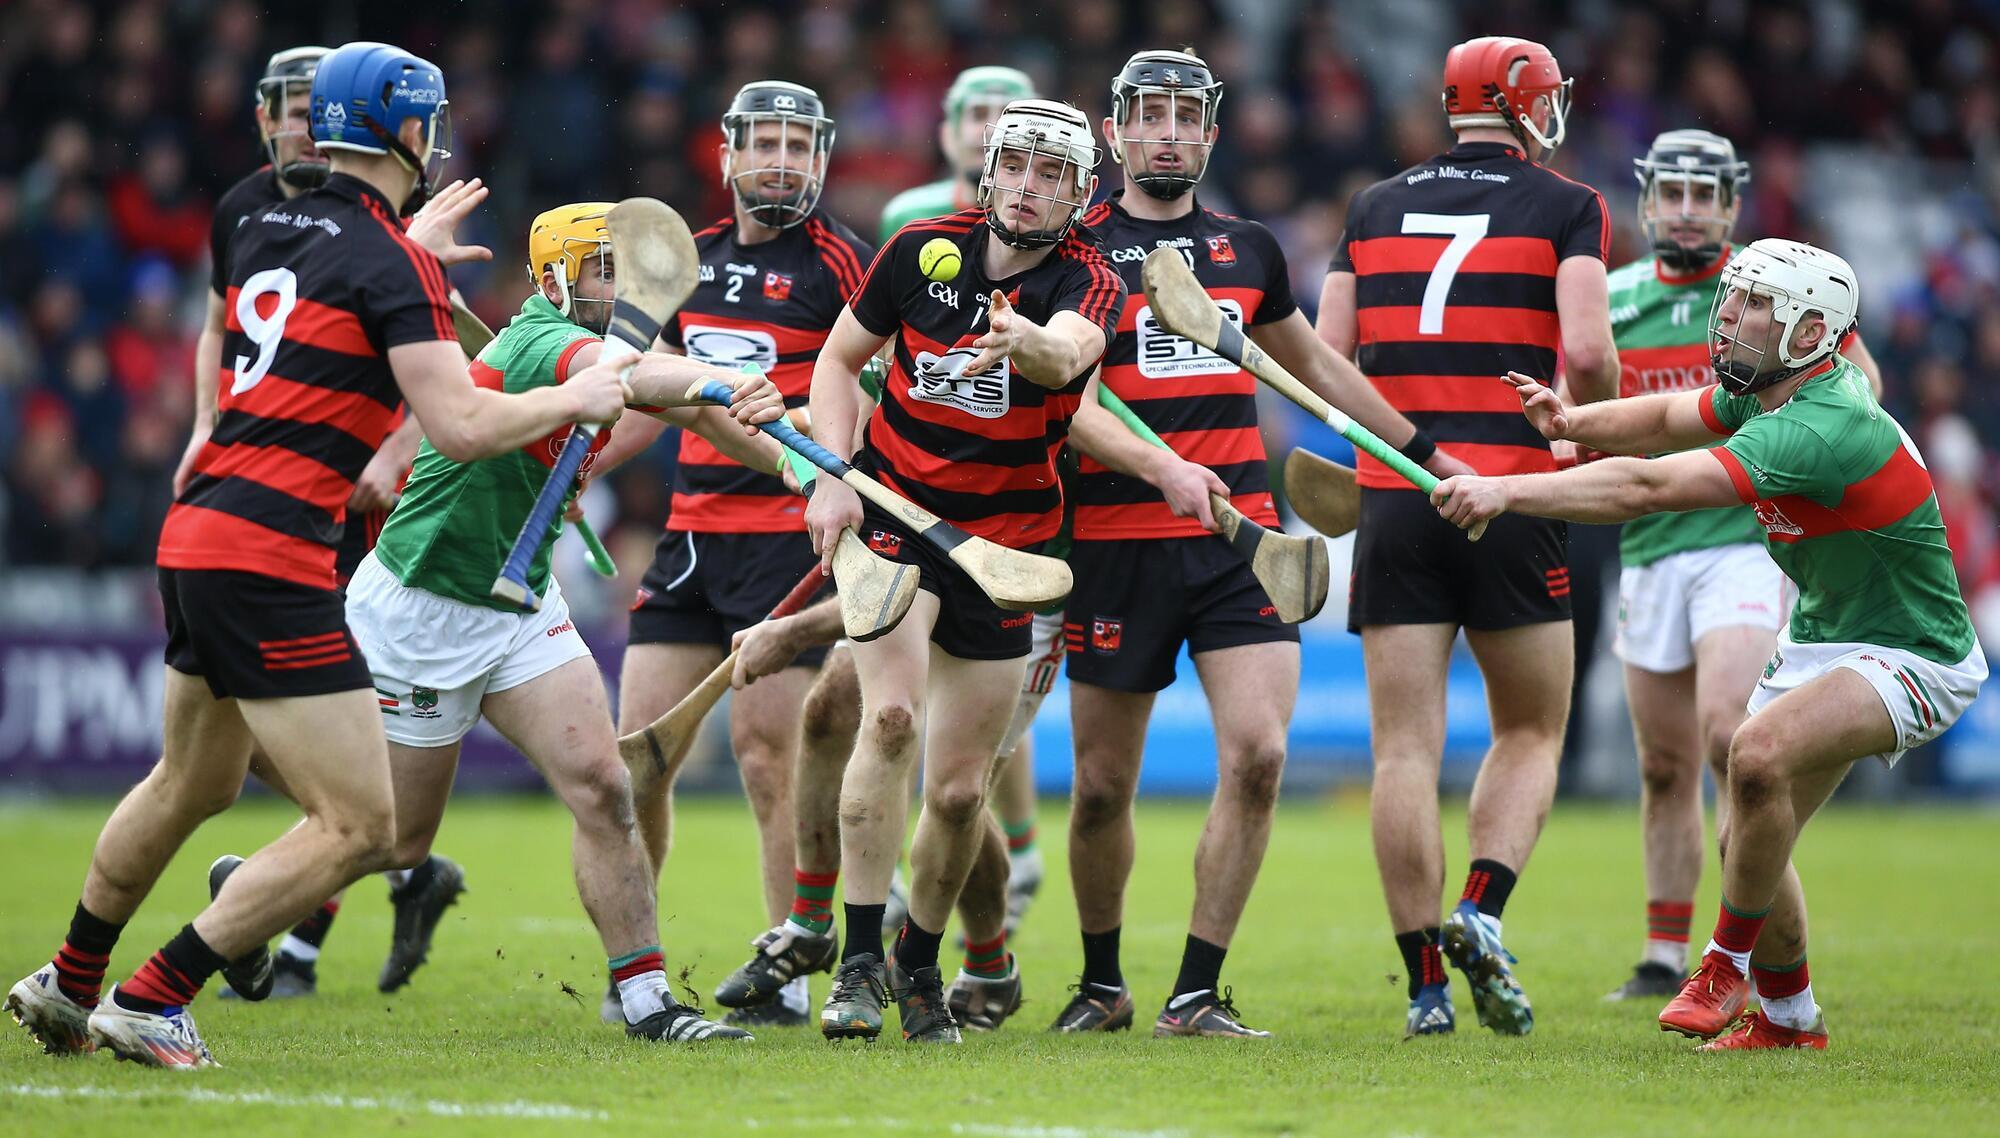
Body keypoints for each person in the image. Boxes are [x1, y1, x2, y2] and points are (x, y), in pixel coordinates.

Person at [3, 41, 630, 1067]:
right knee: (366, 827)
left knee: (188, 782)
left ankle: (69, 980)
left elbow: (253, 313)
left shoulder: (251, 214)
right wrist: (576, 394)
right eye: (427, 122)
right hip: (272, 551)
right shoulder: (394, 264)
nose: (434, 139)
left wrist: (210, 416)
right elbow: (462, 424)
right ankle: (152, 995)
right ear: (402, 129)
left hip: (195, 529)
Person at [1432, 238, 1987, 1049]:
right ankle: (1790, 1020)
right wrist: (1574, 421)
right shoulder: (1768, 390)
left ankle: (1723, 966)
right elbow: (1661, 419)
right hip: (1823, 633)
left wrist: (1506, 491)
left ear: (1811, 333)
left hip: (1914, 650)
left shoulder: (1818, 425)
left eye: (1756, 305)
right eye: (1734, 297)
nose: (1729, 317)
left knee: (1752, 755)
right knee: (1748, 838)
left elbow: (1649, 484)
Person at [1047, 49, 1467, 1039]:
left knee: (1259, 756)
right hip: (1114, 539)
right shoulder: (1073, 251)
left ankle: (1195, 990)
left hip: (1242, 541)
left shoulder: (1248, 249)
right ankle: (1102, 982)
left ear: (1209, 132)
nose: (1166, 135)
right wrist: (1161, 468)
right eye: (1148, 116)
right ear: (1114, 131)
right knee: (1101, 787)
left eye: (1184, 118)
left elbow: (1315, 366)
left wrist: (1425, 458)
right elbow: (1069, 403)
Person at [345, 201, 787, 1044]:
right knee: (393, 841)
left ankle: (648, 1002)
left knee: (603, 784)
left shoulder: (602, 355)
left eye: (623, 268)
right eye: (601, 269)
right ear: (554, 281)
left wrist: (803, 468)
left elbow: (689, 408)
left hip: (519, 605)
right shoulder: (544, 341)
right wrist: (723, 378)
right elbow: (648, 381)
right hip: (425, 608)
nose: (618, 286)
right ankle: (246, 898)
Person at [1316, 35, 1618, 1038]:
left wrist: (1398, 453)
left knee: (1403, 751)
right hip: (1513, 493)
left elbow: (1325, 363)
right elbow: (1586, 352)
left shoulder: (1370, 206)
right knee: (1528, 730)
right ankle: (1480, 909)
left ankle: (1424, 992)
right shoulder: (1567, 204)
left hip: (1399, 497)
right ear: (1525, 102)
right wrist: (1588, 432)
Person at [805, 99, 1124, 1044]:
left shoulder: (1090, 283)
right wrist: (832, 476)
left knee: (955, 794)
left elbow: (1070, 355)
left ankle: (917, 964)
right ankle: (857, 962)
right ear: (989, 172)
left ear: (1080, 193)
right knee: (890, 718)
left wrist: (1025, 341)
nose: (1028, 186)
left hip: (1006, 553)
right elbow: (837, 364)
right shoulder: (920, 251)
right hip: (897, 519)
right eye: (1015, 165)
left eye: (1052, 173)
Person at [172, 44, 468, 1005]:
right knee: (272, 756)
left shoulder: (377, 226)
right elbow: (223, 329)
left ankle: (288, 925)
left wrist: (397, 448)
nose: (304, 125)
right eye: (291, 107)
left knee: (315, 739)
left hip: (338, 503)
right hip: (263, 505)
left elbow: (424, 363)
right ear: (266, 118)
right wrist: (206, 424)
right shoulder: (247, 209)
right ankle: (375, 877)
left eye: (315, 106)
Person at [605, 81, 873, 1030]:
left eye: (799, 146)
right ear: (727, 154)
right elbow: (647, 399)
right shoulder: (691, 262)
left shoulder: (843, 262)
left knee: (769, 759)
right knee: (634, 763)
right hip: (691, 538)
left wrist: (824, 467)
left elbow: (865, 391)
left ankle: (785, 968)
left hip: (788, 542)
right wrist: (573, 452)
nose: (781, 162)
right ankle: (636, 974)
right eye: (764, 143)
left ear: (821, 158)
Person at [1598, 131, 1884, 1001]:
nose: (1687, 211)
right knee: (1663, 763)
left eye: (1705, 195)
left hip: (1743, 543)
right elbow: (1608, 416)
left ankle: (1744, 954)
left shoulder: (1777, 289)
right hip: (1649, 547)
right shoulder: (1612, 297)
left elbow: (1861, 389)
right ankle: (1661, 955)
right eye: (1672, 193)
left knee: (1733, 735)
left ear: (1730, 204)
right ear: (1648, 201)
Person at [875, 61, 1052, 948]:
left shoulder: (1068, 244)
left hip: (1015, 513)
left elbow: (1073, 362)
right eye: (976, 115)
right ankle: (861, 921)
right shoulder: (910, 224)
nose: (989, 129)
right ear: (950, 132)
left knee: (975, 742)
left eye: (1004, 116)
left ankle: (1016, 851)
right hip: (903, 498)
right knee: (884, 708)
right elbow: (869, 348)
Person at [880, 66, 1038, 242]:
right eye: (978, 114)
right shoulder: (909, 217)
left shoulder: (1054, 221)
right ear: (948, 136)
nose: (993, 130)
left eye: (1008, 119)